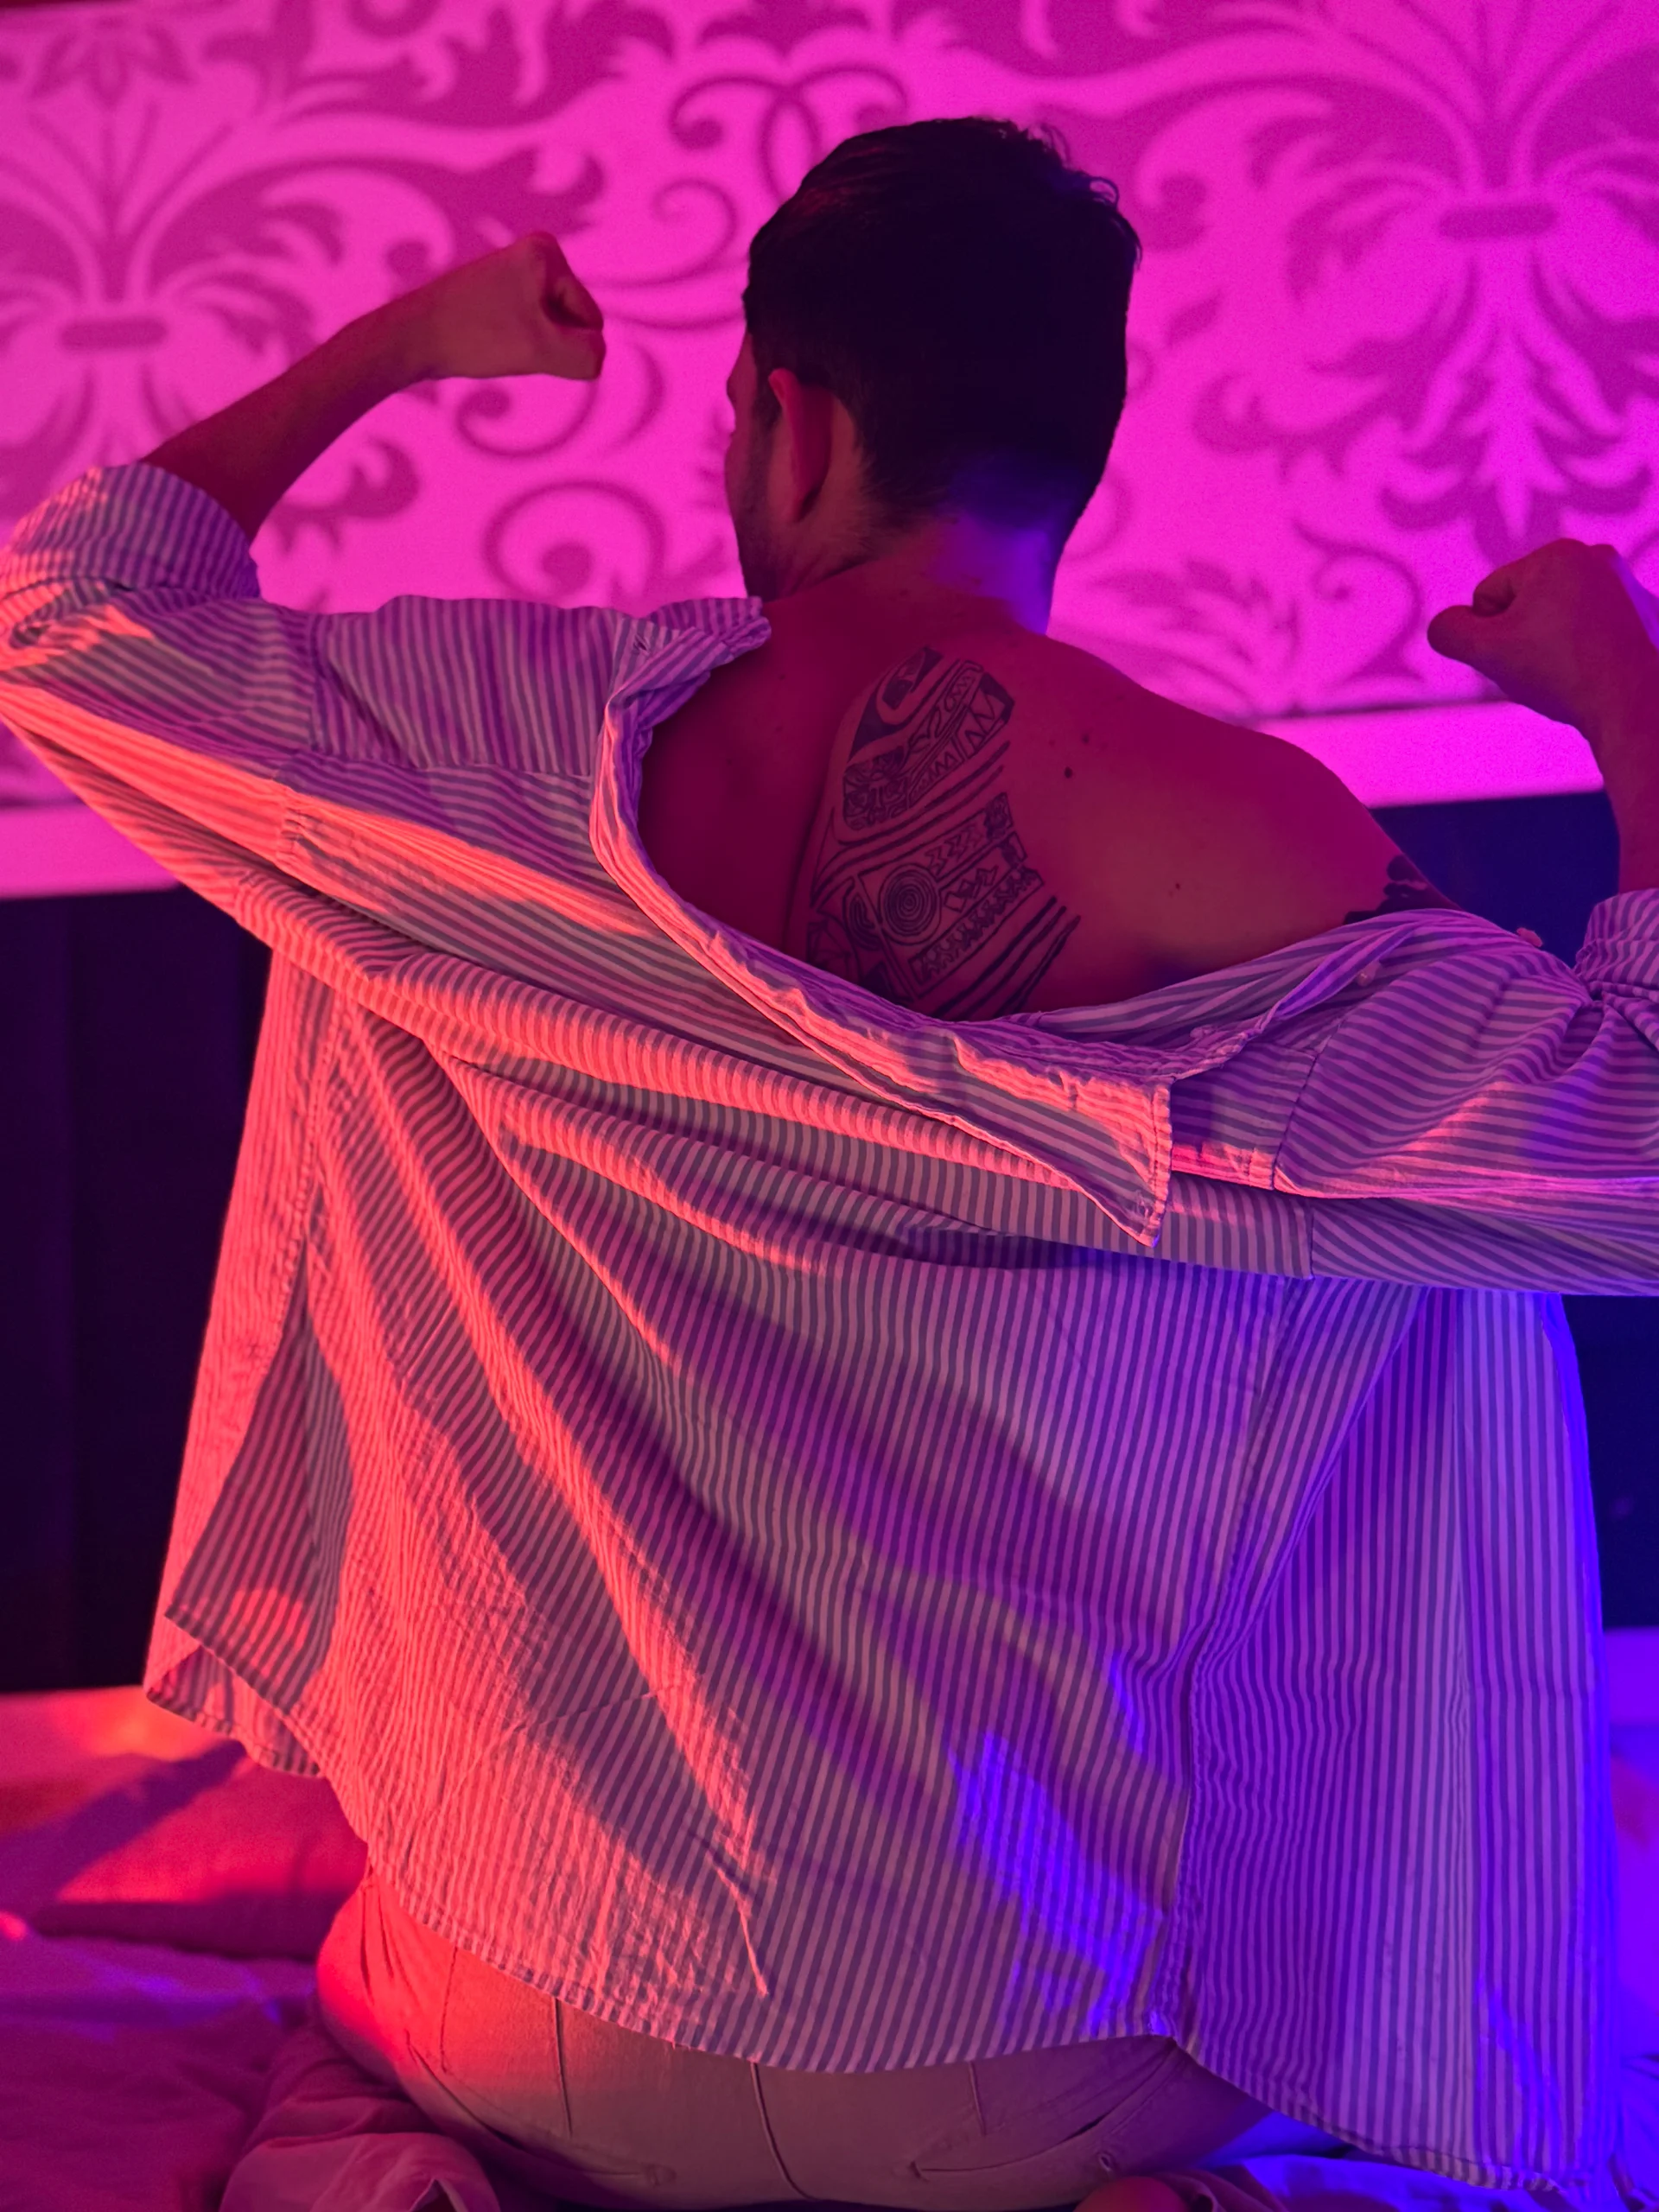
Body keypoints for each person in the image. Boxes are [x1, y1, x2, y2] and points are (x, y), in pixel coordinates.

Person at [1, 115, 1657, 2212]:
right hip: (1018, 2056)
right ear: (1075, 451)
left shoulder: (470, 741)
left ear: (788, 421)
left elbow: (66, 613)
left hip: (537, 2005)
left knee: (358, 2002)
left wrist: (406, 343)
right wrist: (1620, 685)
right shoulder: (1245, 830)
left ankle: (390, 2161)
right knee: (1430, 1263)